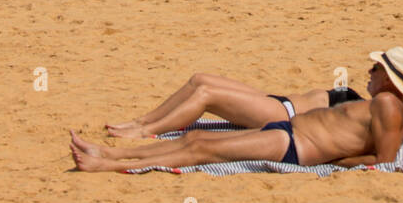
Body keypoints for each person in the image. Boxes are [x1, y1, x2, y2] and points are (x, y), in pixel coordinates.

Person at [74, 48, 403, 170]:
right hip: (289, 133)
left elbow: (385, 161)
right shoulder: (381, 103)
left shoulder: (389, 107)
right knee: (195, 138)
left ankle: (105, 164)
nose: (369, 73)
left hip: (295, 147)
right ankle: (111, 153)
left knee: (201, 148)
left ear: (389, 78)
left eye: (376, 69)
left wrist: (338, 161)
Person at [105, 66, 375, 140]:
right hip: (276, 100)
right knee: (199, 79)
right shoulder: (369, 102)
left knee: (206, 96)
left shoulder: (371, 113)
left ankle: (147, 132)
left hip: (282, 115)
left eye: (378, 69)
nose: (372, 72)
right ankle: (142, 120)